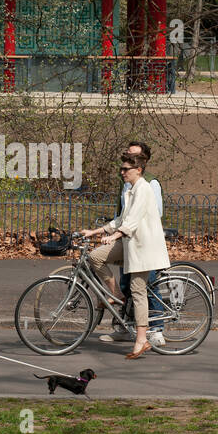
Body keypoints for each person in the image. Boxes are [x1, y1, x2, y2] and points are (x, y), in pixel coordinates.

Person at [80, 152, 170, 359]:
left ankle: (141, 340)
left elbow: (133, 220)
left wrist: (115, 237)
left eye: (125, 169)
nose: (122, 172)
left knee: (137, 289)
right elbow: (121, 219)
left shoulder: (144, 189)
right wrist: (96, 232)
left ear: (138, 170)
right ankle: (116, 295)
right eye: (121, 169)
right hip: (130, 243)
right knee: (95, 257)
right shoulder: (131, 189)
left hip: (143, 247)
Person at [101, 141, 165, 346]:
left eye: (133, 156)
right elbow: (123, 213)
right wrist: (110, 229)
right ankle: (125, 325)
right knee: (125, 284)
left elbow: (153, 212)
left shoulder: (150, 184)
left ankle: (156, 330)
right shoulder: (127, 183)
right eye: (128, 155)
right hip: (128, 240)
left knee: (147, 287)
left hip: (143, 242)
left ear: (142, 162)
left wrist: (118, 232)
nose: (126, 164)